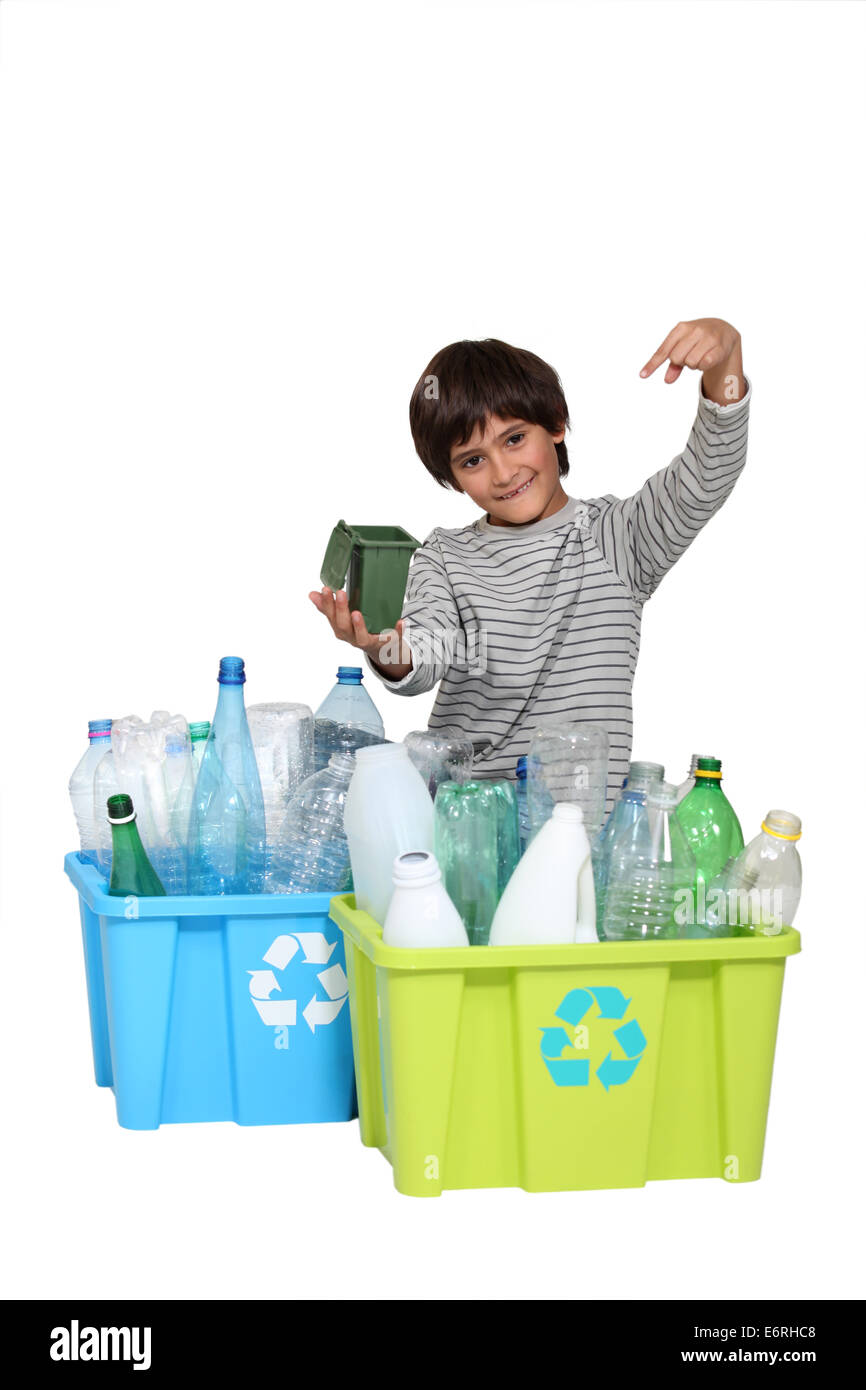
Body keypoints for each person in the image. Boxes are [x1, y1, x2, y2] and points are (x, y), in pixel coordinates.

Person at [309, 318, 749, 812]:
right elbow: (423, 650)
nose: (504, 472)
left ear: (556, 425)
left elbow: (710, 471)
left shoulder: (619, 537)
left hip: (578, 832)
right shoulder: (445, 556)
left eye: (514, 439)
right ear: (452, 478)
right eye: (472, 460)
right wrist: (382, 643)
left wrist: (726, 364)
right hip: (465, 826)